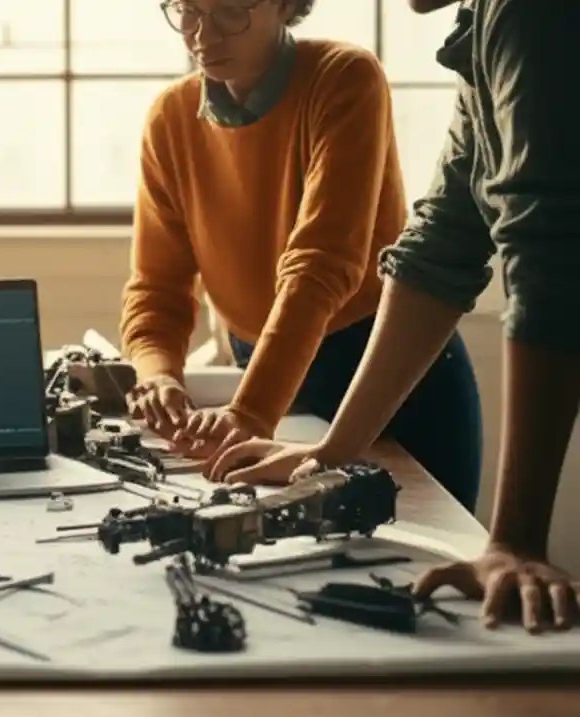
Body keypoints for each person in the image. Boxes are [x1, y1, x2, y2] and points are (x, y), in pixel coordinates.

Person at [206, 0, 580, 633]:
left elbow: (551, 259)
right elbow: (442, 244)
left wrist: (515, 539)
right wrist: (334, 451)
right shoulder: (486, 22)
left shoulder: (528, 11)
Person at [120, 0, 484, 511]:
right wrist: (157, 374)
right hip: (269, 371)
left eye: (229, 11)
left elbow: (320, 265)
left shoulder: (344, 77)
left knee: (414, 569)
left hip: (387, 373)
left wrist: (250, 410)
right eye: (186, 9)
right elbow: (156, 290)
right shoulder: (170, 118)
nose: (203, 34)